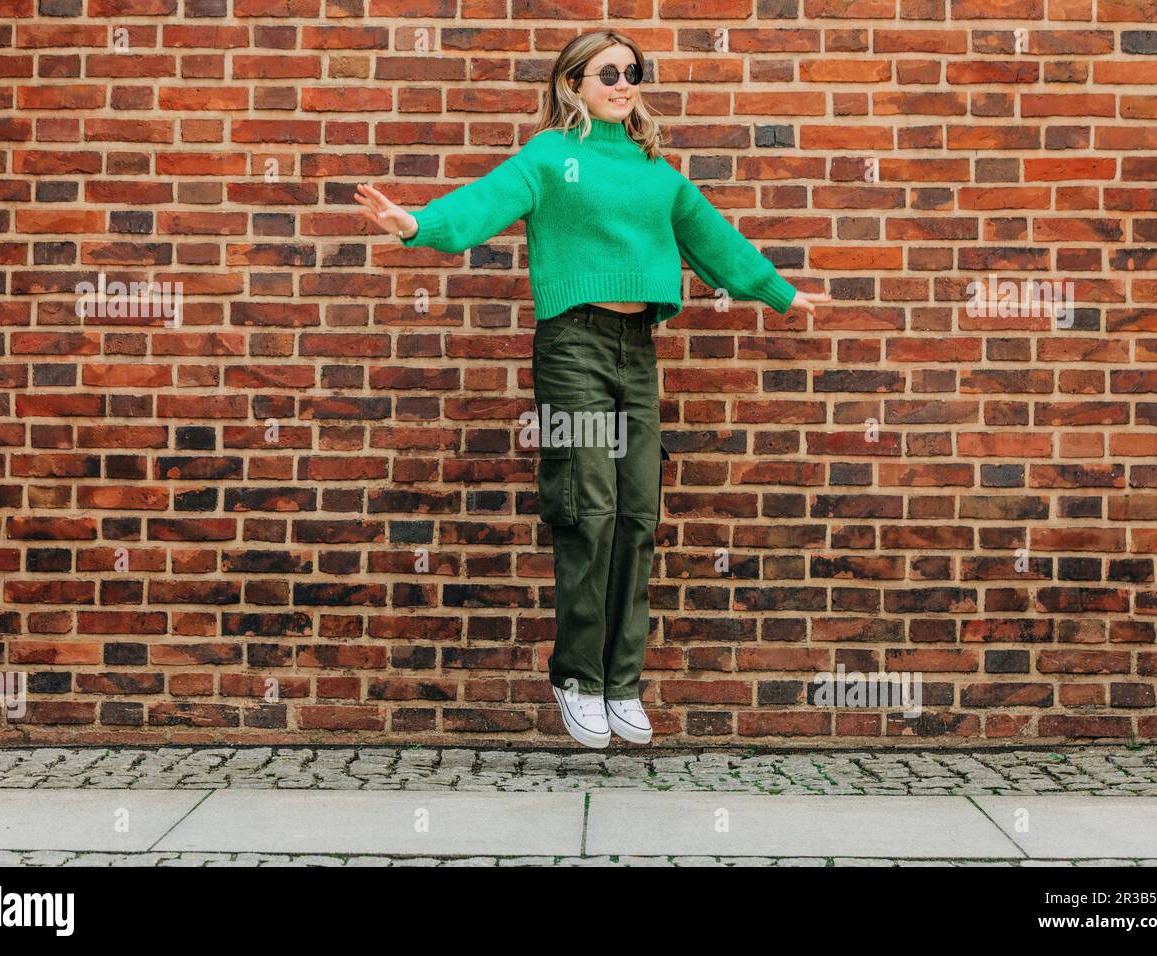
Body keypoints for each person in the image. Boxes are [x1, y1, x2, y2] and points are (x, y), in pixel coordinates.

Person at [355, 30, 830, 749]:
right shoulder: (550, 158)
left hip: (636, 354)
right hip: (573, 349)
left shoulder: (653, 170)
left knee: (638, 514)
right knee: (589, 509)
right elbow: (482, 206)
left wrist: (781, 294)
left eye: (632, 71)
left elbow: (716, 242)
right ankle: (577, 677)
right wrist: (414, 224)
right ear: (572, 82)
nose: (623, 82)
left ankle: (622, 683)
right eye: (608, 71)